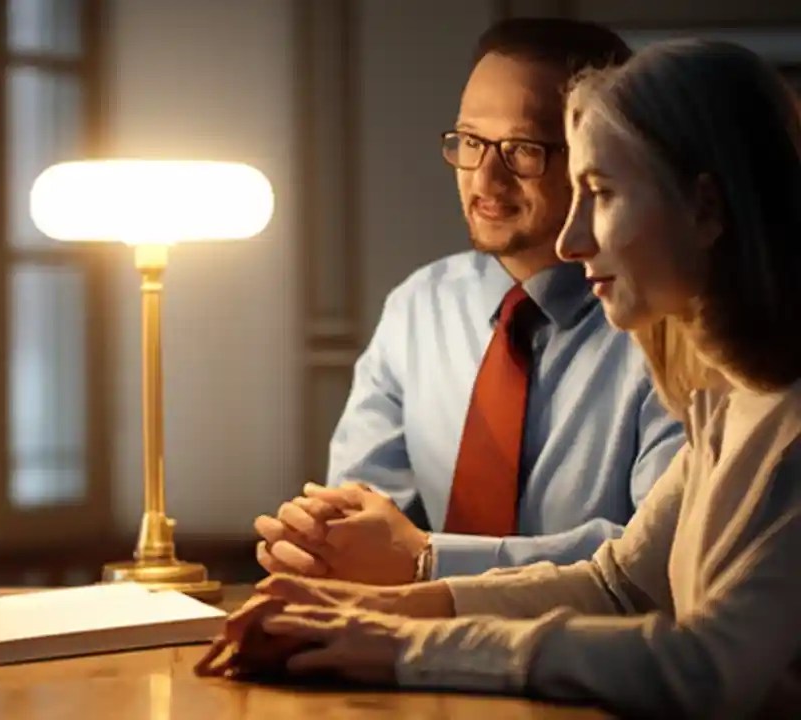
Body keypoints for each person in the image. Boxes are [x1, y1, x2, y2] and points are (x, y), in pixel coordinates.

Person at [203, 38, 801, 719]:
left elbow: (707, 668)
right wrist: (377, 610)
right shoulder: (727, 399)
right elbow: (618, 583)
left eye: (600, 192)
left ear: (706, 209)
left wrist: (406, 643)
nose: (574, 242)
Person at [255, 17, 686, 586]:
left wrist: (429, 559)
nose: (485, 177)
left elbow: (656, 553)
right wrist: (321, 537)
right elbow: (364, 508)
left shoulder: (665, 322)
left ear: (596, 157)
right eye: (471, 141)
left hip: (590, 657)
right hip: (402, 645)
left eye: (522, 150)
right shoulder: (418, 308)